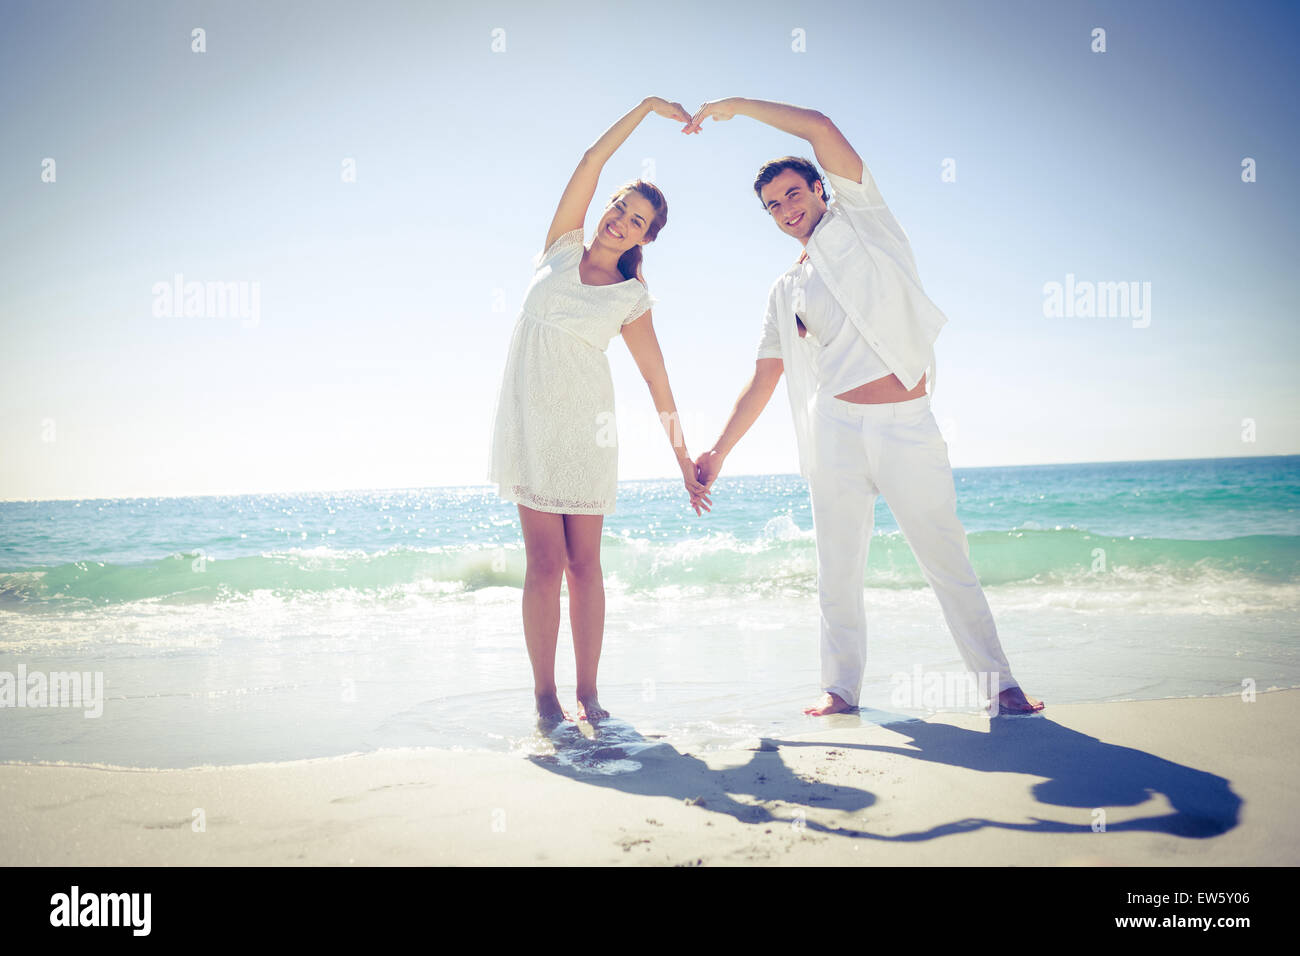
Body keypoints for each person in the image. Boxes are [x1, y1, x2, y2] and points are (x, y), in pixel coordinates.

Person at [684, 97, 1043, 717]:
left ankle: (1001, 686)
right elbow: (764, 377)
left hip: (907, 426)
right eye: (772, 206)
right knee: (838, 572)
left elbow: (820, 127)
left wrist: (735, 107)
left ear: (819, 188)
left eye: (793, 193)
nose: (786, 209)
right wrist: (718, 449)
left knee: (945, 557)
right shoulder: (785, 289)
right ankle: (840, 690)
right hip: (836, 433)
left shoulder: (865, 220)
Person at [488, 97, 712, 724]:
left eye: (637, 221)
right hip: (531, 426)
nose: (621, 221)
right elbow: (592, 158)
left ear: (646, 238)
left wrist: (681, 460)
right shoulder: (559, 248)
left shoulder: (631, 296)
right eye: (620, 208)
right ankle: (545, 696)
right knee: (544, 562)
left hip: (587, 432)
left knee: (584, 564)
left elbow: (656, 378)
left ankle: (588, 694)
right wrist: (644, 108)